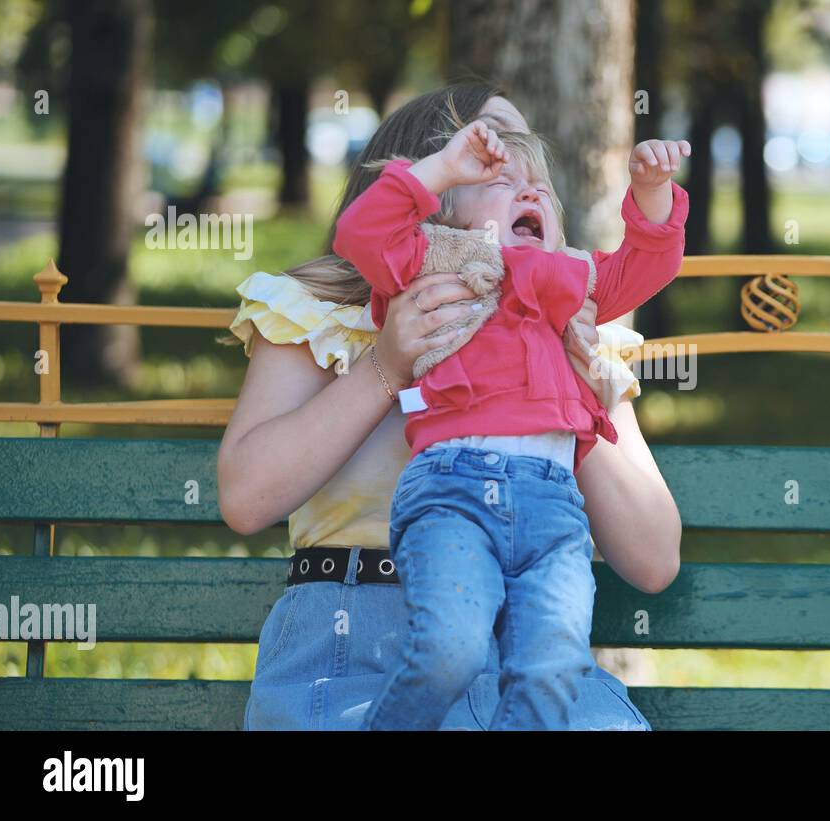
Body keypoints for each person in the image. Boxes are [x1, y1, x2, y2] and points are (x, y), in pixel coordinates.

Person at [217, 84, 682, 730]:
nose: (527, 184)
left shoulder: (575, 329)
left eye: (537, 173)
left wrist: (571, 398)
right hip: (352, 637)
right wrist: (385, 366)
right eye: (495, 159)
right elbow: (245, 496)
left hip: (518, 648)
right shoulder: (319, 316)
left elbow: (654, 559)